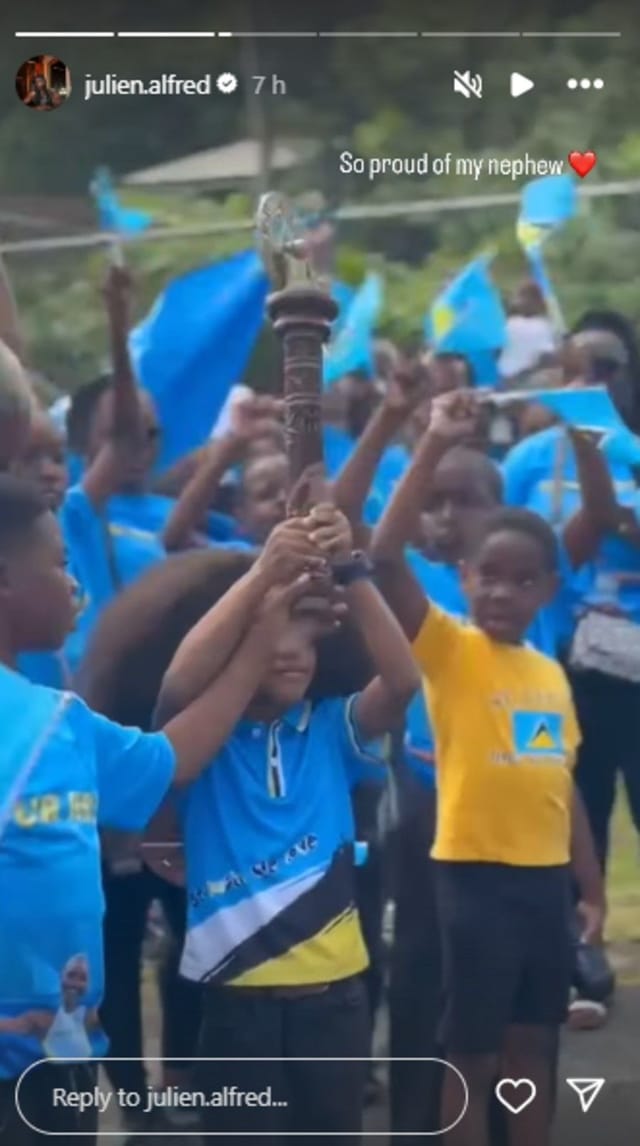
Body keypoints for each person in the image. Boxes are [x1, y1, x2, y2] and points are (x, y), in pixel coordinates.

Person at [0, 475, 329, 1145]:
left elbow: (171, 756)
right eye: (59, 565)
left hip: (56, 1059)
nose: (73, 583)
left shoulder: (60, 718)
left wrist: (260, 634)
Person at [375, 392, 605, 1146]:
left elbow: (557, 780)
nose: (502, 593)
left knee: (532, 1046)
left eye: (522, 580)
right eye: (489, 578)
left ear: (546, 588)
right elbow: (381, 557)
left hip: (544, 887)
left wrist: (591, 887)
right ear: (468, 579)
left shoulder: (548, 673)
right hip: (471, 879)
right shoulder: (450, 647)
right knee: (466, 1052)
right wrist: (434, 440)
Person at [151, 503, 420, 1142]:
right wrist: (261, 576)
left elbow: (404, 679)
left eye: (303, 639)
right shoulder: (206, 742)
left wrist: (353, 570)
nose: (291, 655)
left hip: (335, 1002)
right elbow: (177, 686)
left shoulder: (330, 730)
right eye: (273, 640)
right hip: (235, 1003)